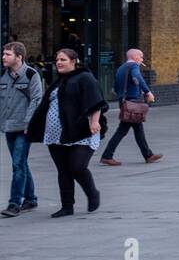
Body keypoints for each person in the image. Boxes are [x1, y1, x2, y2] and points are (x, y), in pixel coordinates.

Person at [25, 48, 107, 216]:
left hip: (81, 132)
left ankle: (92, 193)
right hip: (56, 135)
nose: (58, 63)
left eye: (63, 59)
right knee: (63, 170)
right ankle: (67, 206)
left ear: (73, 61)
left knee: (77, 166)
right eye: (57, 60)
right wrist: (33, 126)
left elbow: (96, 101)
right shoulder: (60, 81)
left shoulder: (85, 78)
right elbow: (44, 106)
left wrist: (94, 121)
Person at [0, 41, 43, 217]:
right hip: (8, 126)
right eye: (3, 54)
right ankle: (31, 199)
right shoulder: (3, 75)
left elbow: (36, 100)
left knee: (18, 164)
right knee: (21, 163)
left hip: (24, 128)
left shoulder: (32, 74)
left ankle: (14, 203)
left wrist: (28, 124)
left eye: (7, 54)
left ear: (19, 56)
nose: (3, 57)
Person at [100, 48, 163, 164]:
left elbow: (115, 87)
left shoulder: (121, 68)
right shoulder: (134, 66)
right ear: (134, 57)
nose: (142, 59)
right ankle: (107, 156)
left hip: (125, 101)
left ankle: (148, 155)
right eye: (141, 56)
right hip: (132, 103)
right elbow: (137, 77)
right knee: (124, 130)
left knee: (134, 129)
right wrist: (148, 92)